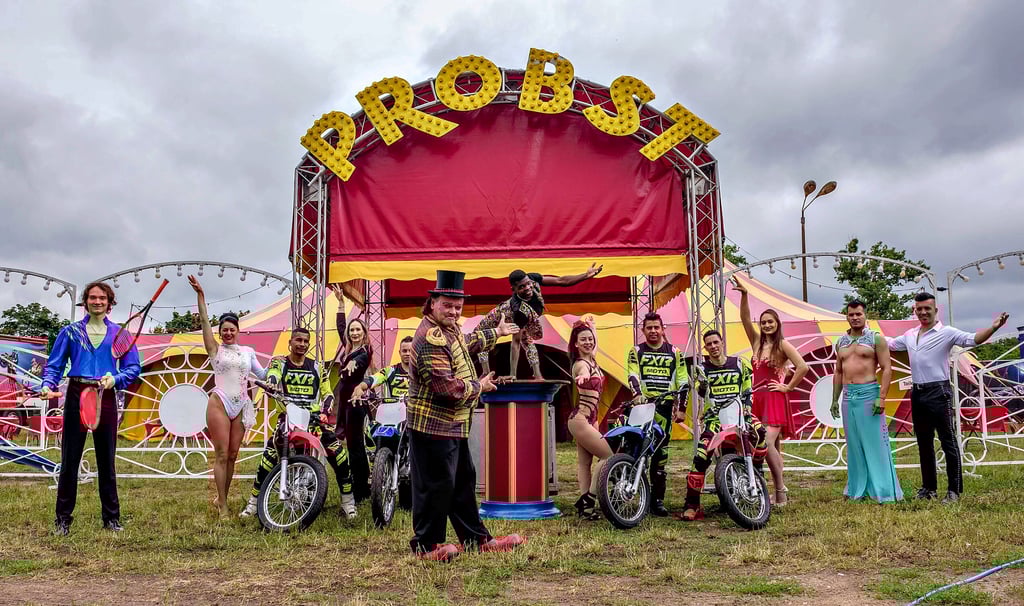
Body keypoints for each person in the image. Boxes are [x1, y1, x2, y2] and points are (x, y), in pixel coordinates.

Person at [407, 270, 525, 561]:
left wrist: (495, 333)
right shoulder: (430, 337)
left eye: (458, 306)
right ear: (433, 302)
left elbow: (467, 343)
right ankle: (427, 546)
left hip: (453, 424)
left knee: (461, 482)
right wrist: (479, 386)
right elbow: (445, 387)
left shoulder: (449, 330)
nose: (454, 310)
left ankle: (476, 539)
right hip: (432, 425)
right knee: (435, 486)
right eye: (448, 304)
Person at [40, 281, 141, 535]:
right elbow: (55, 365)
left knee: (106, 459)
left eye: (102, 298)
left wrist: (115, 379)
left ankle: (111, 519)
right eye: (93, 298)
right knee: (69, 459)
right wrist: (47, 384)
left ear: (109, 302)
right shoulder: (70, 332)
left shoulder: (121, 334)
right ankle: (62, 519)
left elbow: (133, 368)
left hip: (104, 395)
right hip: (76, 393)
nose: (97, 301)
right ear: (85, 301)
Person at [887, 292, 1009, 503]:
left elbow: (973, 339)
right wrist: (866, 333)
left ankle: (954, 490)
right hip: (917, 392)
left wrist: (994, 327)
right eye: (919, 309)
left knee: (948, 441)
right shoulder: (909, 335)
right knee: (923, 442)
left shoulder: (947, 333)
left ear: (936, 310)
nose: (923, 312)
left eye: (927, 308)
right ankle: (928, 489)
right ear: (915, 311)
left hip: (938, 391)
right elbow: (889, 344)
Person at [240, 328, 357, 518]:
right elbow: (274, 375)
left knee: (340, 455)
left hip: (314, 420)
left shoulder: (317, 366)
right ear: (291, 342)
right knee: (268, 457)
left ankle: (348, 502)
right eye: (298, 340)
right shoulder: (279, 362)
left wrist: (326, 406)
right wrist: (271, 382)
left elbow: (327, 391)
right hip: (288, 419)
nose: (302, 344)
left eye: (305, 341)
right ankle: (253, 503)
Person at [188, 275, 267, 518]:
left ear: (238, 331)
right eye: (224, 330)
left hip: (241, 405)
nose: (228, 333)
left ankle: (222, 495)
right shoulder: (215, 349)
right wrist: (201, 296)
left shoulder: (248, 351)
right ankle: (223, 505)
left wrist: (279, 372)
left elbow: (262, 373)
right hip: (220, 402)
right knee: (221, 454)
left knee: (233, 455)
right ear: (220, 332)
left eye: (232, 329)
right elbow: (203, 321)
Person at [678, 330, 768, 521]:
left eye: (715, 342)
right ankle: (692, 504)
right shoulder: (702, 368)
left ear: (722, 342)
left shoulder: (738, 363)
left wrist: (747, 408)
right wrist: (701, 384)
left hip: (739, 414)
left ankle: (757, 473)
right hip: (714, 418)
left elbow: (747, 389)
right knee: (701, 455)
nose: (713, 346)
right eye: (709, 344)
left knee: (760, 433)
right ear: (705, 347)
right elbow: (701, 394)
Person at [734, 279, 808, 506]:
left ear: (777, 323)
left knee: (764, 442)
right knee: (770, 446)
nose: (766, 325)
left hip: (774, 398)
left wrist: (787, 386)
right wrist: (745, 295)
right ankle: (775, 491)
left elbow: (803, 366)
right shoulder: (756, 341)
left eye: (770, 322)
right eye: (764, 322)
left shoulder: (783, 345)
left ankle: (780, 489)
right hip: (756, 399)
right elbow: (745, 319)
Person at [831, 300, 902, 503]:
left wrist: (882, 397)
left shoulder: (876, 339)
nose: (855, 317)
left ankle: (884, 490)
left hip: (869, 395)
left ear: (865, 316)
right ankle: (856, 489)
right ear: (846, 316)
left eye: (858, 314)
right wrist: (834, 400)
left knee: (876, 444)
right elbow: (838, 371)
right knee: (853, 445)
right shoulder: (841, 342)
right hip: (847, 396)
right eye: (851, 314)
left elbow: (887, 368)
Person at [478, 264, 603, 379]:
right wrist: (512, 375)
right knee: (479, 334)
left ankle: (538, 376)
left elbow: (561, 281)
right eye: (522, 287)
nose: (528, 288)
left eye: (527, 283)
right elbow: (515, 343)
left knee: (528, 341)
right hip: (503, 314)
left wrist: (585, 276)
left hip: (528, 317)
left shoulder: (533, 279)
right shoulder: (519, 311)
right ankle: (486, 372)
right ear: (514, 289)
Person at [625, 312, 688, 517]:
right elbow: (632, 373)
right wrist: (637, 394)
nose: (653, 331)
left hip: (664, 408)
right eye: (649, 327)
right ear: (643, 330)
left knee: (661, 455)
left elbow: (683, 381)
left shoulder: (675, 352)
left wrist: (682, 409)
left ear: (663, 329)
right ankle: (631, 490)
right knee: (634, 447)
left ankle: (657, 500)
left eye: (656, 327)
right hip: (642, 406)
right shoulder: (636, 350)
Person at [329, 289, 374, 503]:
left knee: (356, 446)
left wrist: (351, 366)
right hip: (345, 402)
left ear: (364, 333)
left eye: (358, 330)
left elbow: (355, 372)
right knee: (349, 444)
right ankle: (358, 485)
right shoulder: (349, 349)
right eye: (352, 330)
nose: (354, 333)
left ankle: (361, 488)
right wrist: (340, 304)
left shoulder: (363, 353)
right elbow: (341, 327)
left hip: (356, 402)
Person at [566, 316, 612, 519]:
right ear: (576, 344)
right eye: (583, 340)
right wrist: (582, 379)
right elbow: (581, 374)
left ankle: (586, 510)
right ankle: (589, 499)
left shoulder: (592, 358)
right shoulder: (581, 365)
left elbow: (595, 345)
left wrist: (593, 329)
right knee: (608, 456)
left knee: (585, 464)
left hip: (590, 419)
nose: (588, 342)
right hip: (580, 420)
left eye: (590, 339)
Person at [351, 336, 414, 402]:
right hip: (393, 410)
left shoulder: (422, 372)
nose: (407, 353)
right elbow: (373, 379)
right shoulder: (390, 370)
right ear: (399, 352)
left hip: (415, 410)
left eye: (410, 351)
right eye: (404, 351)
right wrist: (360, 387)